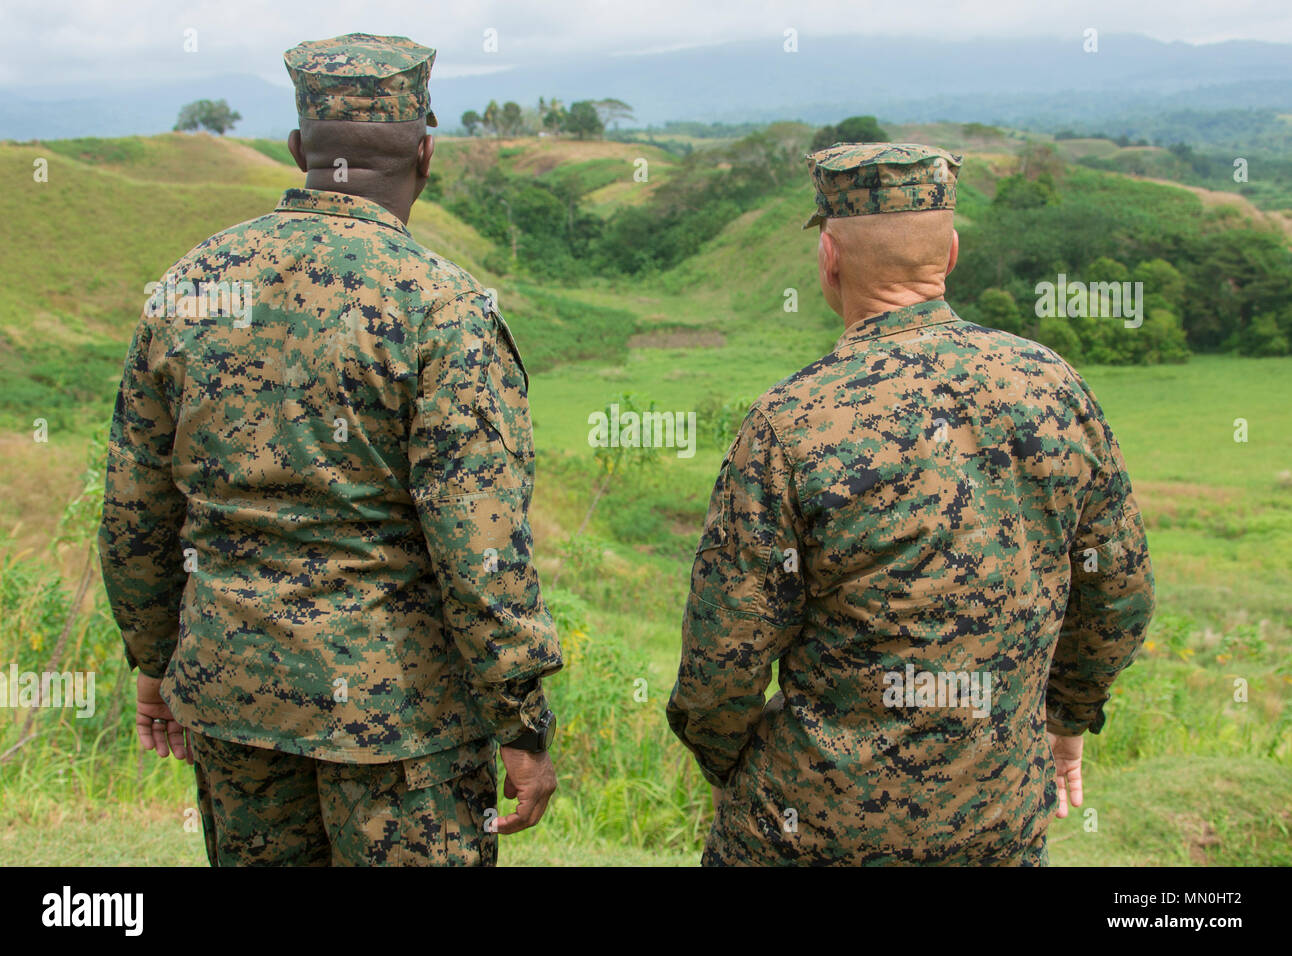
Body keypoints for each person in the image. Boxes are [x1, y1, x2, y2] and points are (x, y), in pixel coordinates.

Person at [97, 33, 561, 866]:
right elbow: (479, 544)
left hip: (234, 689)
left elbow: (135, 506)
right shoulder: (441, 308)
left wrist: (156, 660)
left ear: (300, 148)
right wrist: (519, 718)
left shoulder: (192, 285)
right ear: (425, 153)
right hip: (399, 719)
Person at [667, 142, 1155, 865]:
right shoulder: (1055, 388)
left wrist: (732, 767)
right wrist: (1067, 718)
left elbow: (720, 667)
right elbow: (1120, 594)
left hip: (807, 833)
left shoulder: (790, 422)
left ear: (828, 257)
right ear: (950, 252)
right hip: (997, 826)